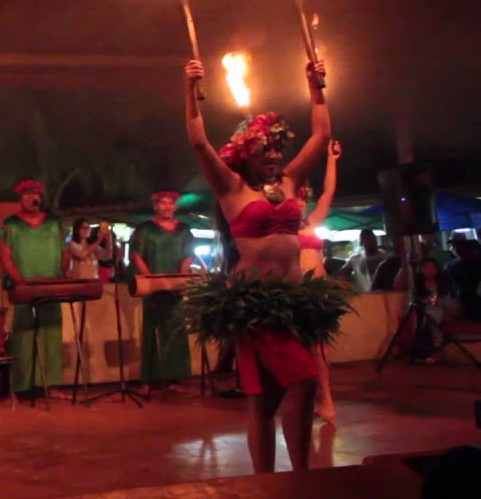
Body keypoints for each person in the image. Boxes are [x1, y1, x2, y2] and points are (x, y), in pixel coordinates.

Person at [183, 58, 348, 474]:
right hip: (255, 307)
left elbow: (322, 133)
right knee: (303, 382)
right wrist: (190, 90)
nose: (275, 155)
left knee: (266, 399)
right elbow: (199, 142)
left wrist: (316, 87)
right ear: (245, 156)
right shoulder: (231, 188)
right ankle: (296, 478)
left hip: (295, 302)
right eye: (265, 150)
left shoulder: (289, 182)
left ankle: (277, 483)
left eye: (278, 148)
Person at [0, 180, 69, 399]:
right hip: (24, 287)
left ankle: (51, 384)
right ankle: (21, 386)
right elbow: (4, 255)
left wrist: (62, 276)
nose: (31, 197)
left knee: (51, 332)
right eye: (27, 194)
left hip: (51, 285)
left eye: (35, 194)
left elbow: (66, 251)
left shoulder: (55, 224)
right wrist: (20, 281)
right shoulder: (9, 224)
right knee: (24, 334)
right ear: (20, 198)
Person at [130, 191, 196, 392]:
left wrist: (182, 277)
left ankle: (174, 379)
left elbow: (187, 255)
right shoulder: (145, 229)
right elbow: (137, 255)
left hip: (175, 285)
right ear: (155, 206)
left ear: (176, 207)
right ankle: (148, 381)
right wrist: (150, 279)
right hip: (153, 285)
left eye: (171, 203)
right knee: (151, 329)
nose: (167, 207)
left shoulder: (184, 230)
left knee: (175, 330)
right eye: (163, 203)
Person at [298, 139, 342, 423]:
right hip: (294, 288)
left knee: (318, 348)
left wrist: (332, 161)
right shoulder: (279, 230)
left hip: (318, 289)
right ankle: (313, 397)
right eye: (295, 199)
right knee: (304, 349)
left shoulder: (312, 222)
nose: (299, 203)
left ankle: (326, 398)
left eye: (302, 199)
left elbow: (328, 192)